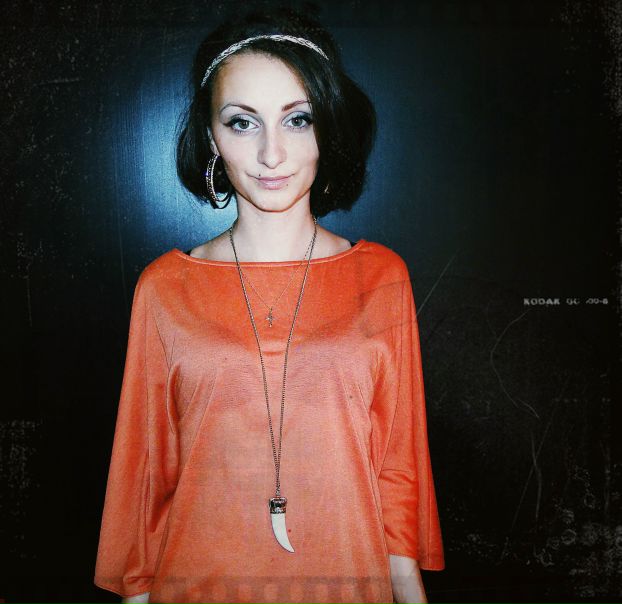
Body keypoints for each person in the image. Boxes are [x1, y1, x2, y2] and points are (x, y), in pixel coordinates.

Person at [94, 6, 444, 604]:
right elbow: (145, 479)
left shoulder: (381, 277)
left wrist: (407, 589)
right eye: (243, 122)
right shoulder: (164, 288)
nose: (271, 154)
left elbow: (398, 469)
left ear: (326, 126)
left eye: (297, 119)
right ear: (212, 137)